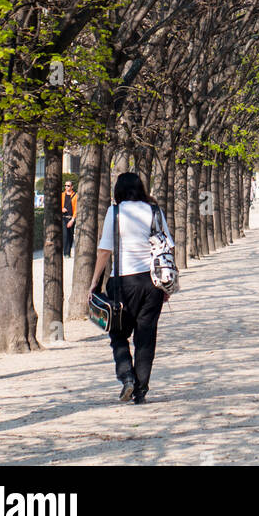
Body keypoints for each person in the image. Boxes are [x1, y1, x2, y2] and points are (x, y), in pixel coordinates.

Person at [89, 171, 174, 405]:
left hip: (122, 283)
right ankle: (141, 389)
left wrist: (95, 282)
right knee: (146, 337)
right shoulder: (154, 211)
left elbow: (105, 250)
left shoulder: (114, 212)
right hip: (151, 282)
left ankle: (126, 375)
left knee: (117, 334)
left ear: (118, 190)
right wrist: (166, 284)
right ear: (141, 188)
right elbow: (167, 247)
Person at [61, 180, 77, 257]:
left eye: (68, 186)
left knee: (70, 235)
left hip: (71, 218)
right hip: (63, 218)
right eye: (65, 185)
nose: (66, 187)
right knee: (65, 235)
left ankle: (68, 251)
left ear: (72, 187)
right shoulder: (62, 195)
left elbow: (76, 209)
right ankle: (66, 253)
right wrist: (61, 209)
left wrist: (73, 219)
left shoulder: (75, 196)